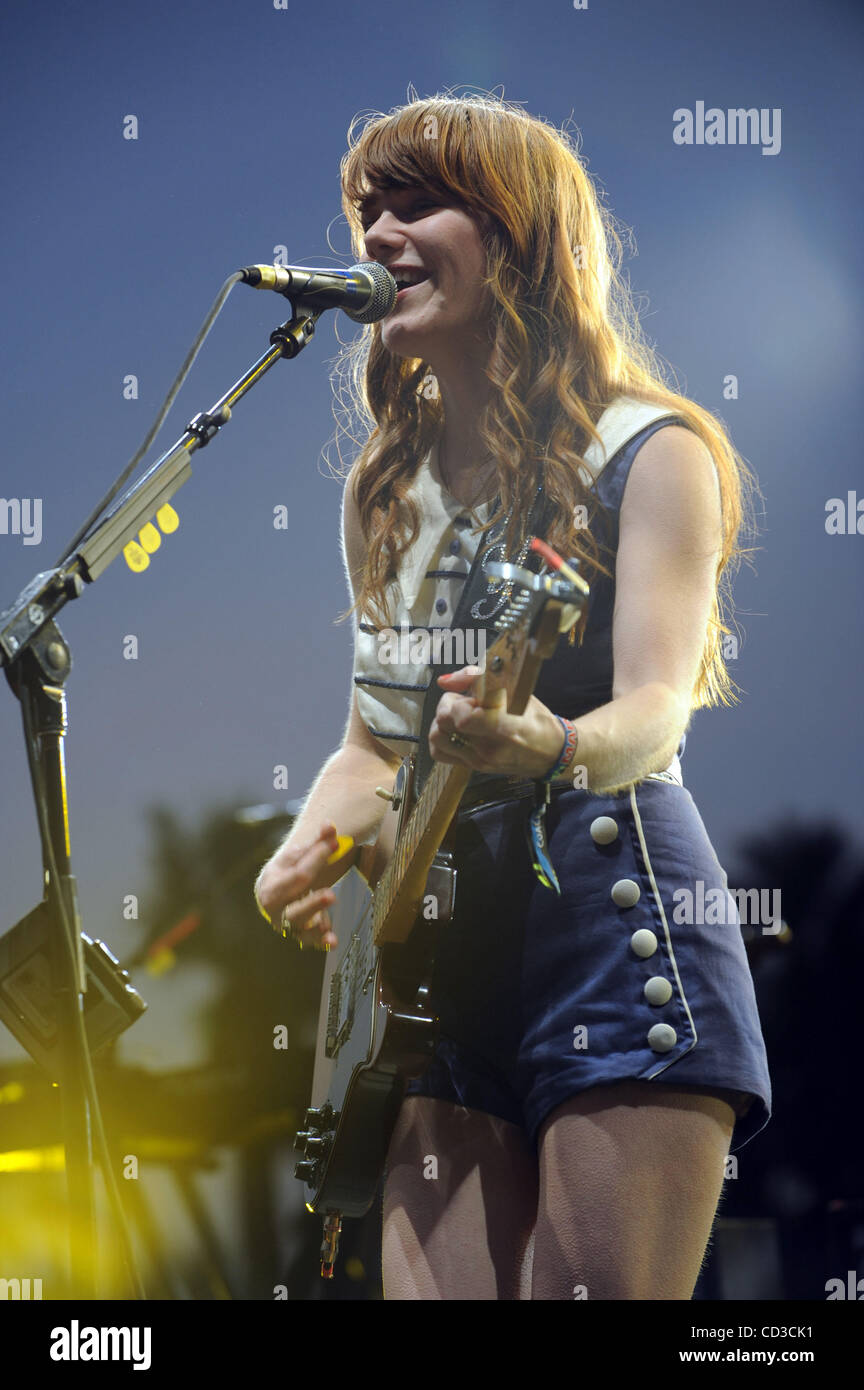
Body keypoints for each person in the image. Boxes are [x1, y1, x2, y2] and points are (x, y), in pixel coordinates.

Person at [254, 92, 771, 1301]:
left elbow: (656, 706)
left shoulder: (652, 449)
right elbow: (371, 747)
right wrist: (312, 842)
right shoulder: (386, 492)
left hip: (616, 919)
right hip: (439, 968)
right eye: (365, 208)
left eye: (418, 202)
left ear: (520, 234)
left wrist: (547, 741)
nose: (376, 234)